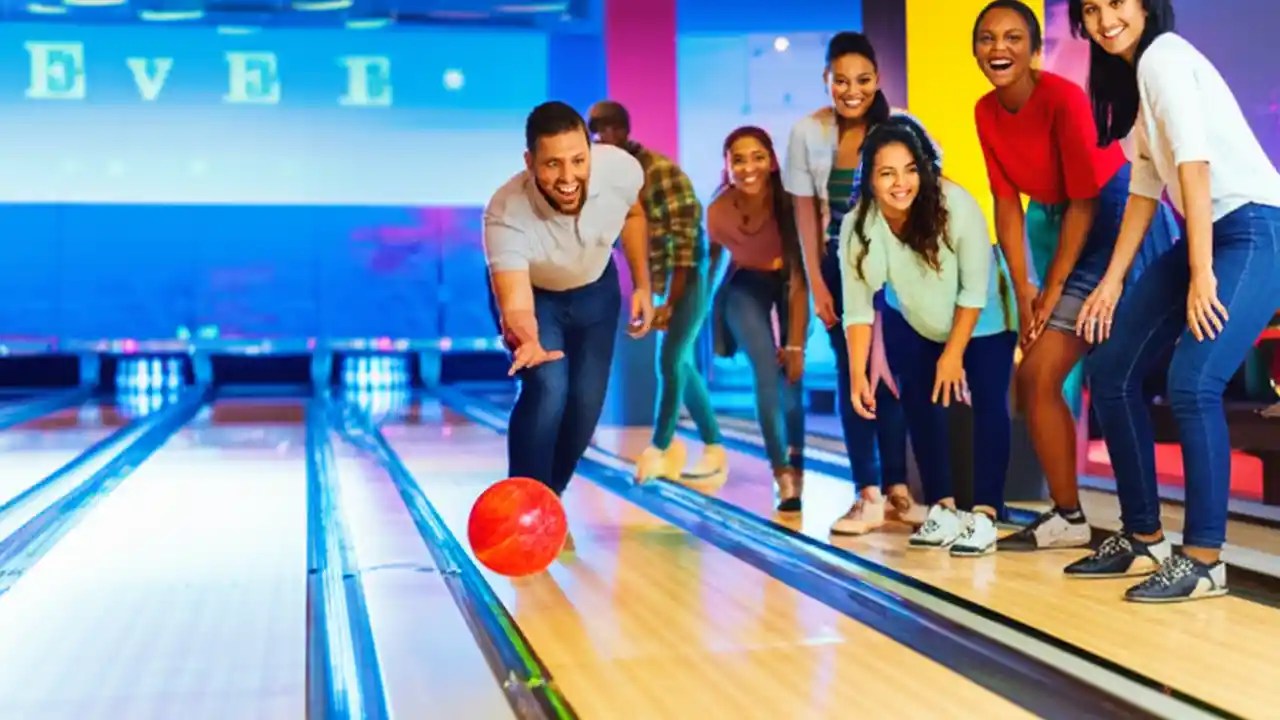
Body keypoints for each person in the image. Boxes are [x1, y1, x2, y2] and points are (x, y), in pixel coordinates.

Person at [1068, 0, 1280, 602]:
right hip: (1211, 234)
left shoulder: (1163, 57)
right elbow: (1144, 187)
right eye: (1091, 8)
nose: (1106, 18)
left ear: (1145, 5)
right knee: (1110, 368)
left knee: (1192, 382)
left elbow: (1195, 167)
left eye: (1117, 2)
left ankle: (1205, 560)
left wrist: (1201, 272)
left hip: (1255, 230)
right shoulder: (1140, 74)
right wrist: (1111, 283)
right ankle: (1143, 537)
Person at [970, 0, 1178, 551]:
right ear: (975, 50)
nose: (999, 49)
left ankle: (1149, 531)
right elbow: (1005, 202)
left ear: (1035, 49)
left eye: (1014, 37)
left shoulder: (1061, 98)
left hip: (1116, 216)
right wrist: (1023, 286)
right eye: (987, 39)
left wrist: (1054, 286)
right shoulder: (985, 112)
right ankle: (1069, 516)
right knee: (1035, 378)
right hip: (1072, 222)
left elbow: (1087, 202)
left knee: (1111, 374)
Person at [483, 101, 656, 548]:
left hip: (596, 293)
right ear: (530, 162)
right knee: (547, 389)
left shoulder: (619, 169)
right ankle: (525, 510)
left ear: (591, 152)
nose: (568, 177)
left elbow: (633, 214)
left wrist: (642, 282)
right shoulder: (505, 211)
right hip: (535, 299)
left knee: (585, 404)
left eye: (578, 160)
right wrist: (526, 337)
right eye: (552, 164)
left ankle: (549, 504)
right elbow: (517, 303)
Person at [844, 117, 1019, 555]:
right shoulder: (858, 226)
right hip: (919, 319)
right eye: (886, 173)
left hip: (985, 317)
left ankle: (985, 514)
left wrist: (953, 353)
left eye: (909, 169)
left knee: (987, 404)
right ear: (869, 179)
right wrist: (856, 375)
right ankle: (942, 507)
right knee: (919, 403)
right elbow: (858, 308)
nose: (900, 183)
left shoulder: (954, 205)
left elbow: (974, 289)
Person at [784, 31, 933, 534]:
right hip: (839, 269)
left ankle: (896, 491)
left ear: (878, 79)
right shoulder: (808, 132)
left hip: (896, 269)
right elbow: (806, 217)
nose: (852, 90)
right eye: (841, 80)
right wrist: (818, 285)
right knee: (856, 373)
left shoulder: (903, 126)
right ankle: (865, 491)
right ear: (826, 80)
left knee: (891, 375)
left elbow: (929, 195)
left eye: (863, 80)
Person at [587, 100, 726, 483]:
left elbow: (686, 248)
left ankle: (661, 448)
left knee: (668, 361)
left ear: (625, 131)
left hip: (689, 277)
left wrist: (670, 301)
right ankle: (714, 447)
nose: (603, 137)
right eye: (596, 130)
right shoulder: (602, 178)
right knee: (680, 362)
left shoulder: (660, 173)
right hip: (660, 284)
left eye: (611, 128)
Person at [706, 126, 809, 511]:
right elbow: (711, 264)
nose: (748, 167)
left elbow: (800, 278)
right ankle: (782, 473)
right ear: (727, 166)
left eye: (757, 157)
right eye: (738, 159)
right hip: (744, 284)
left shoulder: (791, 203)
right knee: (766, 371)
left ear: (772, 161)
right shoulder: (718, 210)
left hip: (789, 283)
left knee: (791, 377)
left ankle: (797, 465)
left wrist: (796, 342)